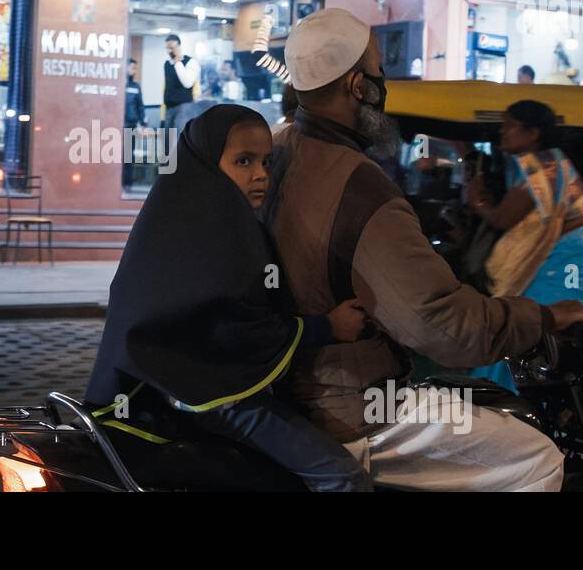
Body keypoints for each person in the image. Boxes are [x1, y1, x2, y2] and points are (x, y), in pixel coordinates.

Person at [264, 8, 583, 491]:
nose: (382, 84)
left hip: (283, 387)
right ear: (358, 86)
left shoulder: (273, 149)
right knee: (538, 459)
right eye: (379, 72)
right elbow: (442, 326)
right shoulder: (359, 186)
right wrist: (544, 319)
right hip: (346, 405)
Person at [86, 104, 372, 492]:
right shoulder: (216, 229)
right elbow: (234, 329)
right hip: (215, 393)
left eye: (267, 162)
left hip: (171, 389)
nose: (260, 175)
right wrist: (327, 326)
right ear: (205, 161)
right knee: (343, 477)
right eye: (243, 161)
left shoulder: (182, 213)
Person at [466, 100, 583, 390]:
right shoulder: (536, 162)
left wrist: (478, 202)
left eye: (509, 126)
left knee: (528, 329)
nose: (502, 133)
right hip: (564, 255)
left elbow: (503, 218)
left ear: (533, 133)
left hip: (563, 262)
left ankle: (514, 398)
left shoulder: (543, 168)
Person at [161, 34, 198, 128]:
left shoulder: (190, 62)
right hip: (169, 107)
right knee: (167, 139)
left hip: (184, 106)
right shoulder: (167, 64)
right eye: (167, 48)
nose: (169, 51)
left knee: (179, 137)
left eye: (172, 48)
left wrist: (178, 62)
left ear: (179, 47)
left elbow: (187, 83)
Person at [122, 58, 148, 190]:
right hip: (116, 125)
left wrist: (144, 124)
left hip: (130, 126)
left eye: (135, 68)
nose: (134, 70)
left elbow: (140, 106)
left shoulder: (135, 87)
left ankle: (127, 184)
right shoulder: (118, 85)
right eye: (132, 67)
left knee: (128, 156)